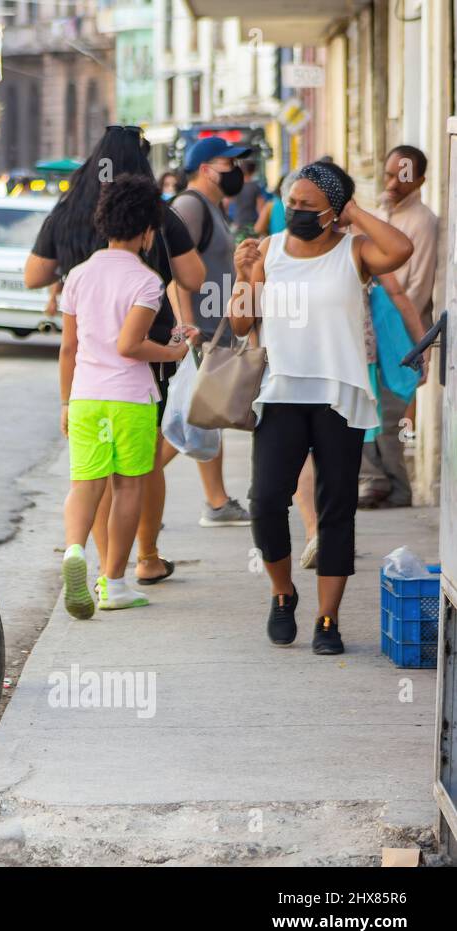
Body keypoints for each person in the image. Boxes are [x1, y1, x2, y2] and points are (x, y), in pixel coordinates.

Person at [229, 161, 412, 655]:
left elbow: (401, 249)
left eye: (309, 206)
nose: (296, 212)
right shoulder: (269, 250)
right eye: (292, 203)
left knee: (337, 510)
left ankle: (327, 620)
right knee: (266, 500)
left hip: (339, 396)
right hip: (281, 393)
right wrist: (244, 274)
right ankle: (282, 592)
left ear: (334, 211)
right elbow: (242, 326)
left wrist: (356, 212)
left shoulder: (355, 252)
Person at [24, 125, 205, 586]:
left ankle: (98, 564)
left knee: (92, 473)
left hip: (86, 376)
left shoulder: (68, 213)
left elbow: (33, 275)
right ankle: (143, 558)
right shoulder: (158, 217)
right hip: (148, 364)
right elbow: (194, 278)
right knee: (136, 469)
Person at [58, 173, 199, 618]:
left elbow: (68, 347)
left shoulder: (78, 276)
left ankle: (74, 552)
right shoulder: (146, 282)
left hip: (84, 397)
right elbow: (131, 345)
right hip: (130, 399)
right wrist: (175, 349)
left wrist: (65, 402)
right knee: (127, 486)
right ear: (148, 231)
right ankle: (114, 583)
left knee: (86, 482)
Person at [168, 136, 254, 529]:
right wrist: (189, 334)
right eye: (228, 163)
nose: (235, 170)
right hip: (198, 333)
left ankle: (217, 502)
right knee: (180, 426)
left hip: (212, 331)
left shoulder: (214, 208)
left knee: (206, 414)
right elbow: (171, 270)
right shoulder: (189, 206)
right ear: (205, 169)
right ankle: (130, 492)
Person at [358, 144, 439, 509]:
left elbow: (417, 287)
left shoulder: (421, 220)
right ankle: (381, 485)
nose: (393, 182)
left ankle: (395, 489)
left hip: (400, 333)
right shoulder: (381, 212)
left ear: (420, 180)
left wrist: (412, 340)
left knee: (391, 416)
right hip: (374, 331)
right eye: (389, 174)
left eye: (402, 176)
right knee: (372, 413)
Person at [229, 159, 268, 237]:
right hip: (251, 225)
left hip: (237, 224)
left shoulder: (236, 186)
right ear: (253, 171)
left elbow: (227, 202)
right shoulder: (255, 187)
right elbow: (261, 209)